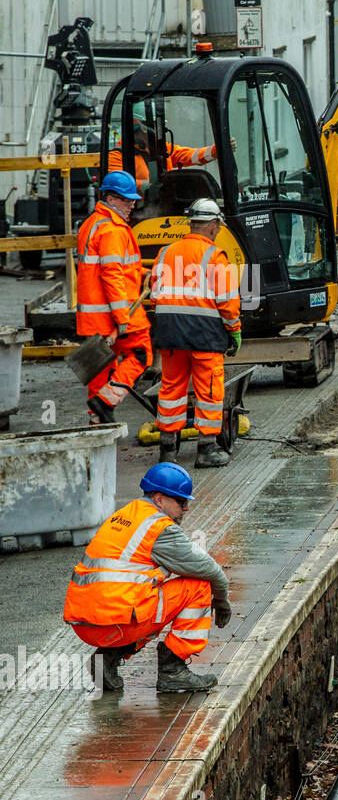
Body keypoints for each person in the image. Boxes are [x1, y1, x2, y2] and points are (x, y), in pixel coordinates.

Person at [63, 462, 231, 693]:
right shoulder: (159, 528)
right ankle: (173, 671)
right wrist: (221, 599)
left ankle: (108, 658)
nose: (186, 509)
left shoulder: (124, 515)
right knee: (199, 586)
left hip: (84, 622)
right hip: (114, 622)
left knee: (145, 595)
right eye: (182, 502)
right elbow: (209, 570)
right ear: (160, 499)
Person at [150, 198, 242, 468]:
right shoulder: (214, 256)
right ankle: (207, 449)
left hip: (169, 334)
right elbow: (227, 301)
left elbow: (155, 295)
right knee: (209, 390)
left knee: (172, 388)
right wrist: (234, 330)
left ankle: (167, 450)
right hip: (204, 336)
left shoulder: (166, 252)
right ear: (213, 226)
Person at [75, 170, 150, 425]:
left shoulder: (91, 224)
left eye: (132, 199)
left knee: (99, 370)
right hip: (115, 315)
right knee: (141, 355)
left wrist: (144, 272)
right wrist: (122, 318)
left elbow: (110, 268)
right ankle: (105, 402)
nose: (132, 204)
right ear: (109, 198)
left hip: (93, 318)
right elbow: (112, 274)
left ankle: (97, 426)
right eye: (126, 199)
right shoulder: (112, 230)